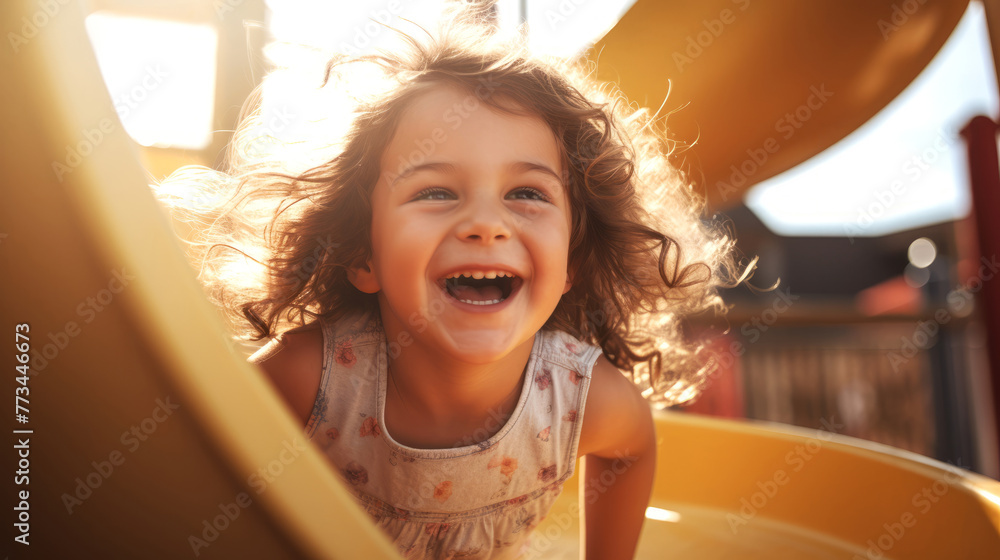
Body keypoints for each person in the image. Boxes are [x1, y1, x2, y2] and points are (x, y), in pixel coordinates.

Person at [155, 5, 747, 559]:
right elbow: (200, 460)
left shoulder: (578, 401)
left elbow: (632, 445)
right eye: (436, 192)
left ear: (572, 261)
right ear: (364, 254)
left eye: (526, 194)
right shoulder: (315, 380)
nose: (486, 224)